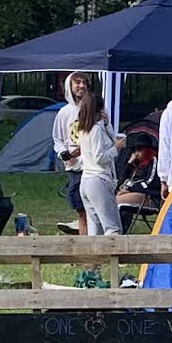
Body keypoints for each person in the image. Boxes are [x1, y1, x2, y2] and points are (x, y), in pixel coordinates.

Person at [57, 72, 119, 236]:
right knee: (92, 216)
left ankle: (91, 257)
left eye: (85, 82)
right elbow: (59, 139)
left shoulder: (94, 123)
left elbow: (106, 138)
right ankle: (93, 253)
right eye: (77, 83)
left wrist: (106, 125)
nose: (82, 86)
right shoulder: (66, 114)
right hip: (88, 173)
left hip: (90, 171)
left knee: (95, 218)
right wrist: (66, 154)